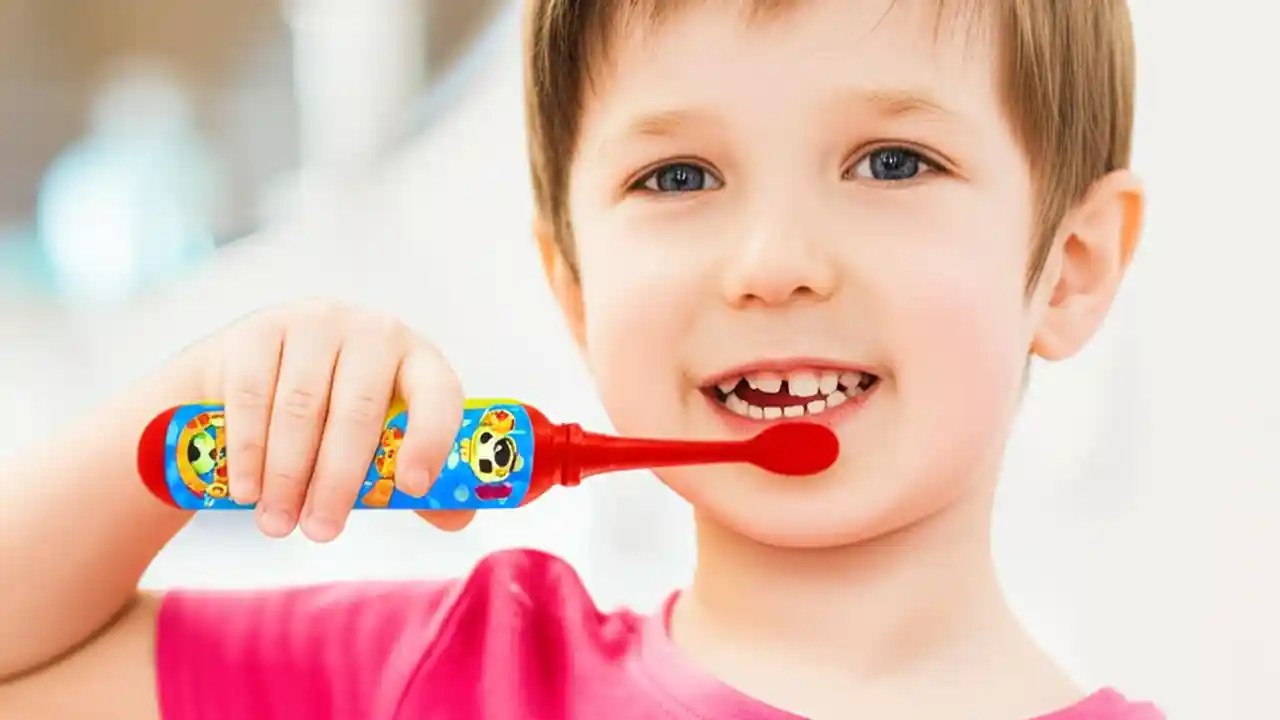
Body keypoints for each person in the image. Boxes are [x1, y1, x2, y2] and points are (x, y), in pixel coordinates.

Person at [0, 0, 1161, 717]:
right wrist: (186, 414)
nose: (771, 261)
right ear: (572, 287)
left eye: (893, 163)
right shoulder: (445, 677)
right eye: (677, 177)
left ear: (1065, 268)